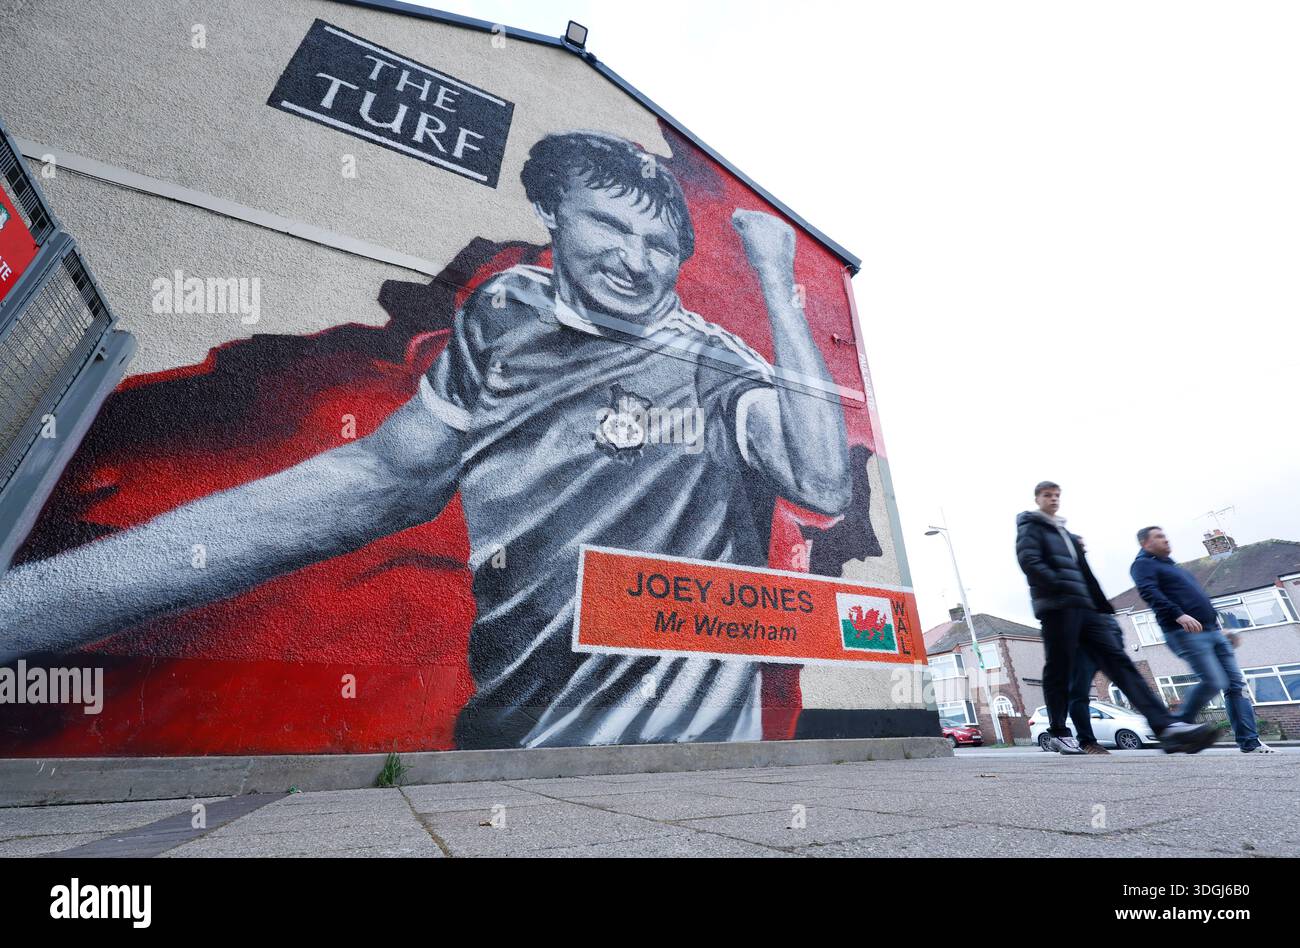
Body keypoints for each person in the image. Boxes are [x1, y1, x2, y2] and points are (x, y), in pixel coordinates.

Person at [0, 132, 853, 750]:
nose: (635, 260)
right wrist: (39, 604)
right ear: (555, 215)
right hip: (508, 727)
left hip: (679, 747)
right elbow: (387, 474)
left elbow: (820, 477)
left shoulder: (710, 363)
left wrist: (779, 285)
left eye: (659, 243)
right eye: (610, 227)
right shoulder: (507, 311)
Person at [1015, 482, 1215, 755]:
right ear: (1037, 499)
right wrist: (1061, 587)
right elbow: (1030, 563)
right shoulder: (1030, 527)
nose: (1053, 499)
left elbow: (1085, 573)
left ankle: (1166, 728)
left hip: (1088, 609)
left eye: (1057, 495)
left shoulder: (1066, 534)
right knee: (1059, 671)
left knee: (1120, 663)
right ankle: (1059, 732)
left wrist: (1103, 609)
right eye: (1047, 495)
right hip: (1058, 607)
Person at [1131, 527, 1275, 754]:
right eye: (1159, 536)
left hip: (1212, 631)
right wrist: (1178, 614)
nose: (1166, 539)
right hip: (1184, 631)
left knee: (1235, 686)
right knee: (1213, 680)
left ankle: (1250, 742)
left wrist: (1219, 628)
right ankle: (1175, 730)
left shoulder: (1174, 568)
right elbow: (1149, 593)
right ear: (1145, 543)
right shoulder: (1142, 565)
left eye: (1166, 535)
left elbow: (1199, 599)